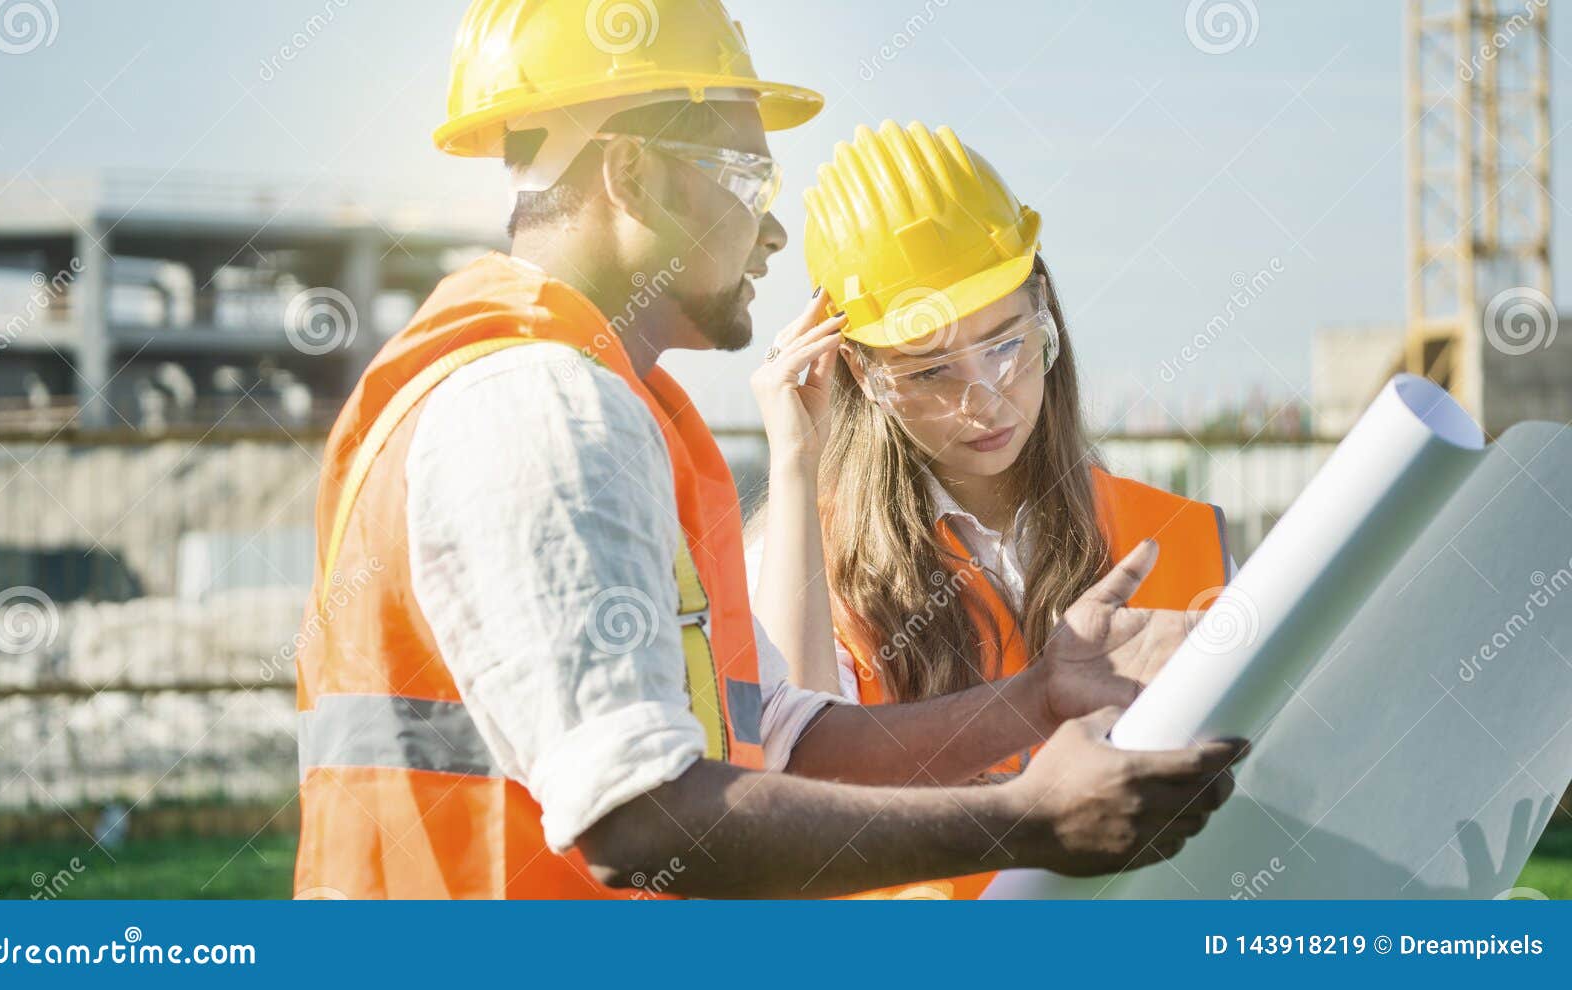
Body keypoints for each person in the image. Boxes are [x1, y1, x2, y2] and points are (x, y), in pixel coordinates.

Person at [292, 1, 1243, 900]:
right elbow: (640, 819)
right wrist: (1022, 818)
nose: (775, 230)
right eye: (750, 178)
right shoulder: (543, 405)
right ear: (634, 177)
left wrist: (1032, 701)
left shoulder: (598, 398)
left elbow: (771, 747)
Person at [749, 121, 1235, 896]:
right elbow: (792, 780)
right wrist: (795, 460)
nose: (983, 400)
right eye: (934, 371)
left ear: (1042, 304)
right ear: (861, 373)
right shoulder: (805, 558)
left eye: (1007, 343)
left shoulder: (1182, 536)